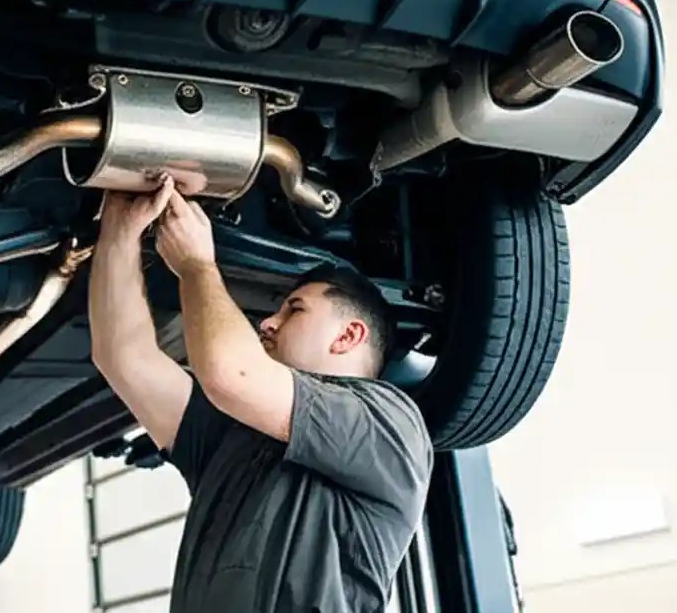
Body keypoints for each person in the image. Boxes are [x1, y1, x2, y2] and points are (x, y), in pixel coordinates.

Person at [88, 176, 433, 613]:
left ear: (348, 335)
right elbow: (124, 357)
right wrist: (119, 231)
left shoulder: (387, 424)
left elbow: (232, 373)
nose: (267, 323)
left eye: (294, 309)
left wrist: (198, 265)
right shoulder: (239, 434)